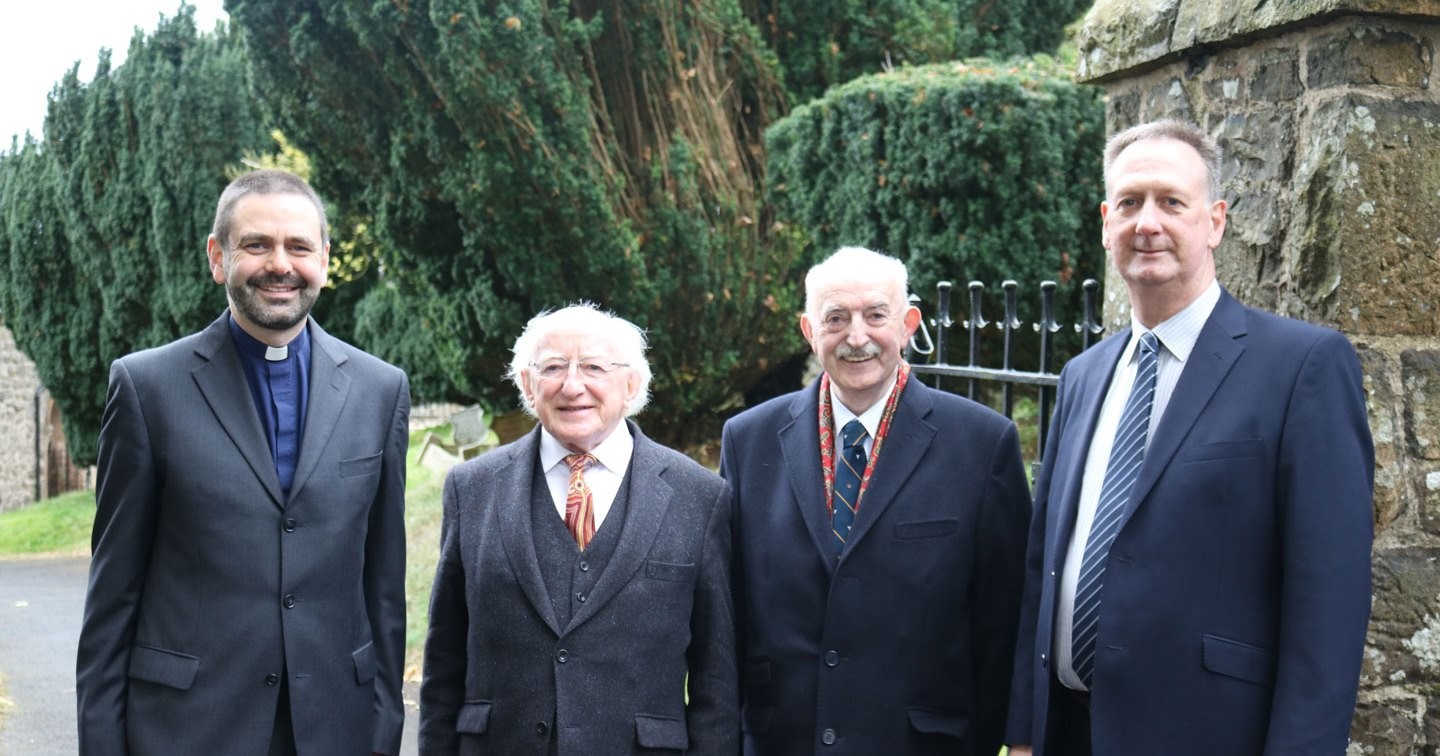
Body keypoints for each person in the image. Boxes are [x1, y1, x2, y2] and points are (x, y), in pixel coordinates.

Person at [1005, 119, 1374, 755]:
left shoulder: (1302, 366)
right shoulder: (1082, 376)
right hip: (1067, 733)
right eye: (1129, 203)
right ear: (1105, 223)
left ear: (1215, 222)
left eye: (1172, 202)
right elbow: (1044, 566)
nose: (1147, 222)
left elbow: (1329, 603)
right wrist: (1023, 733)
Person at [76, 169, 410, 756]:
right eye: (256, 244)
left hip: (335, 727)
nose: (279, 264)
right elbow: (113, 597)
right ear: (218, 256)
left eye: (299, 247)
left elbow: (383, 588)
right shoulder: (147, 388)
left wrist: (383, 731)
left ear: (325, 259)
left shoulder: (380, 391)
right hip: (185, 730)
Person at [720, 246, 1032, 755]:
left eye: (875, 316)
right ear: (809, 331)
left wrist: (1011, 738)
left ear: (908, 323)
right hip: (781, 741)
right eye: (836, 319)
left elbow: (1006, 618)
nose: (857, 337)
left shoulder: (981, 444)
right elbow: (727, 614)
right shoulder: (748, 440)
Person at [418, 304, 737, 755]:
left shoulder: (698, 496)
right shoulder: (471, 490)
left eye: (593, 367)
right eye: (552, 367)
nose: (572, 385)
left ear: (631, 384)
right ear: (528, 385)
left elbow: (717, 680)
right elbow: (444, 664)